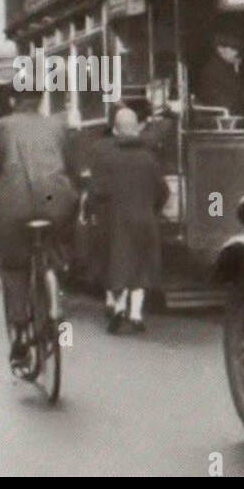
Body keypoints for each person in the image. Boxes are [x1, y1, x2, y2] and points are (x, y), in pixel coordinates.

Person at [0, 89, 77, 371]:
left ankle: (20, 333)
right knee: (55, 248)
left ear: (12, 101)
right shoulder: (59, 126)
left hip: (14, 209)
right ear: (41, 100)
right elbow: (72, 169)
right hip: (56, 204)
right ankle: (56, 286)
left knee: (13, 267)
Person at [88, 108, 168, 333]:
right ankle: (136, 314)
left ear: (115, 130)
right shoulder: (149, 159)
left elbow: (97, 191)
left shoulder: (107, 158)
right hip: (145, 219)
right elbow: (163, 192)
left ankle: (119, 309)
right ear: (137, 129)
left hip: (116, 221)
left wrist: (98, 211)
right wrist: (153, 209)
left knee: (119, 266)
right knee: (142, 268)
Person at [195, 31, 244, 122]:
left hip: (230, 119)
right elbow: (235, 99)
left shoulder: (226, 67)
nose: (237, 53)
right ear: (220, 49)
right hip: (223, 121)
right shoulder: (214, 70)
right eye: (233, 48)